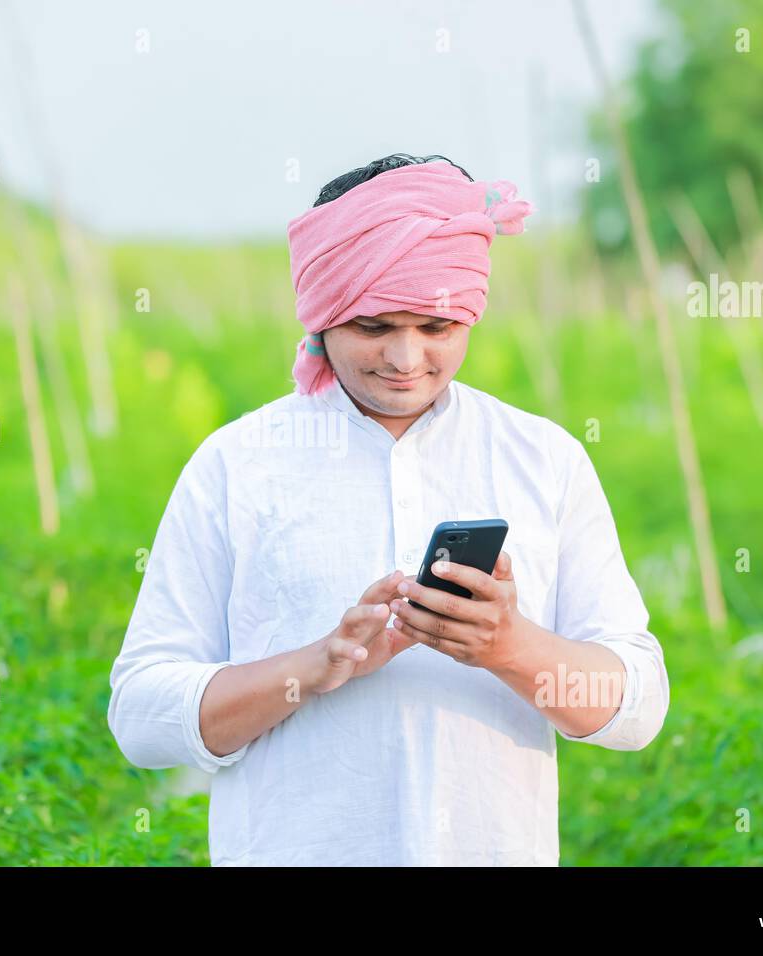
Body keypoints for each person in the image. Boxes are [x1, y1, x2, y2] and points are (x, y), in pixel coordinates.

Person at [107, 152, 670, 865]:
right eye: (373, 327)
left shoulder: (543, 459)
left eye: (436, 328)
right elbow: (141, 716)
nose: (406, 357)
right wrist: (315, 666)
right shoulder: (237, 465)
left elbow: (639, 706)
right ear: (321, 318)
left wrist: (508, 647)